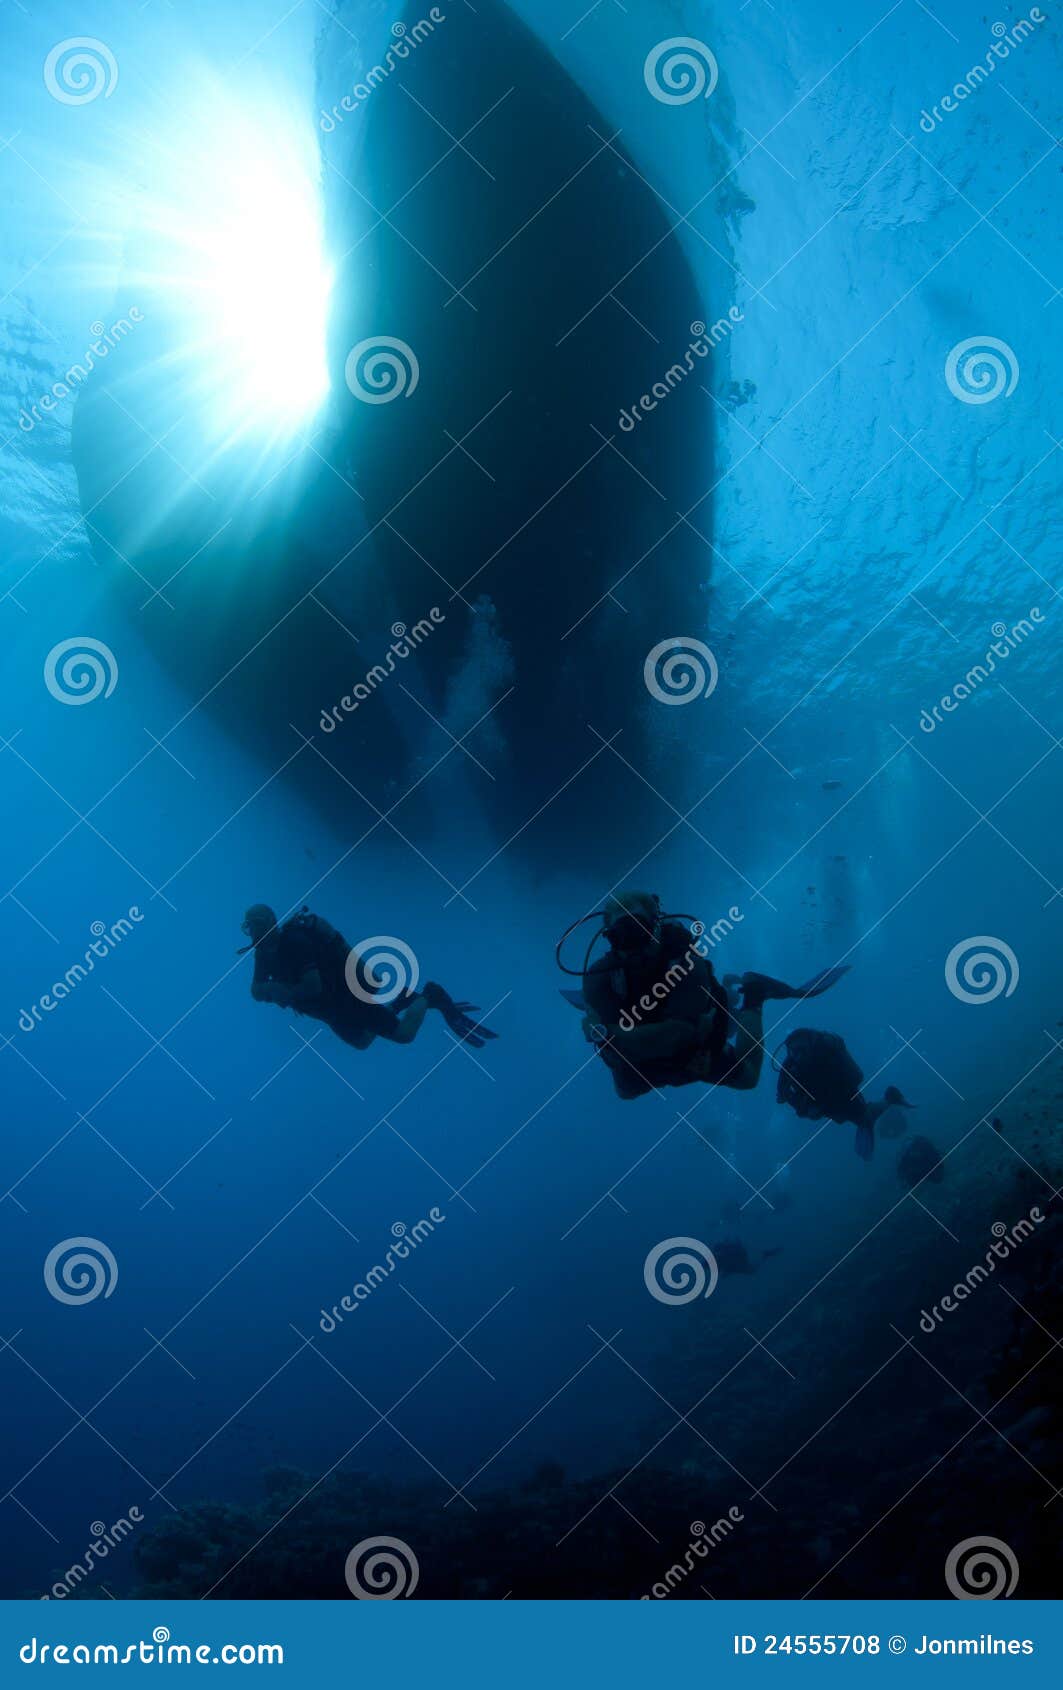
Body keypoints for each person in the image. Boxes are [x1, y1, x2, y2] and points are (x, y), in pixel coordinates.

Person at [575, 889, 847, 1101]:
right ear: (610, 940)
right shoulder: (599, 978)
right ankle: (737, 997)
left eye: (639, 931)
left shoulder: (685, 962)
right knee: (624, 1091)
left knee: (748, 1077)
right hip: (651, 1057)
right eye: (622, 936)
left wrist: (607, 1032)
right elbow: (612, 1052)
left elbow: (679, 1033)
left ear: (656, 929)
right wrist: (612, 1038)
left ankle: (753, 995)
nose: (632, 946)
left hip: (696, 1043)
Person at [241, 904, 498, 1051]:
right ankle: (398, 1003)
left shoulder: (294, 942)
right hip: (328, 1012)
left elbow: (313, 984)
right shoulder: (263, 955)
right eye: (251, 926)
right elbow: (255, 990)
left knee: (404, 1035)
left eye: (260, 924)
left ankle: (431, 994)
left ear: (272, 922)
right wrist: (269, 989)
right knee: (363, 1042)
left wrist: (285, 993)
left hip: (344, 999)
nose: (255, 931)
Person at [773, 1027, 913, 1160]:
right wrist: (805, 1108)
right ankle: (889, 1099)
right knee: (856, 1118)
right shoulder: (790, 1067)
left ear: (810, 1047)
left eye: (801, 1050)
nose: (798, 1056)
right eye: (793, 1052)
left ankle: (890, 1098)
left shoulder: (825, 1054)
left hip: (844, 1096)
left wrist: (819, 1104)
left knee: (865, 1117)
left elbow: (856, 1076)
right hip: (827, 1105)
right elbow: (783, 1097)